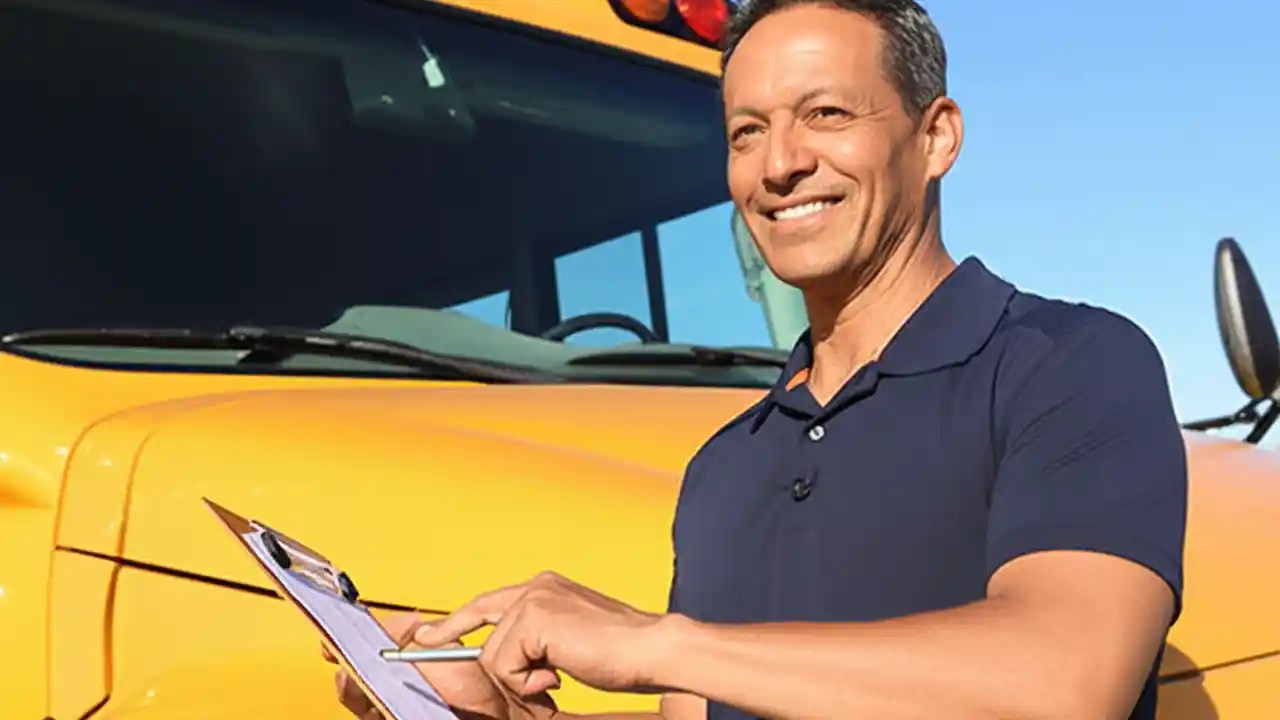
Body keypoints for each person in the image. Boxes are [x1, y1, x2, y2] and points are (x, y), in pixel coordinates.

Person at [330, 1, 1188, 718]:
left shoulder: (1069, 365)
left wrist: (657, 641)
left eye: (826, 114)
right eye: (747, 132)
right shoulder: (725, 465)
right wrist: (501, 711)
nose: (779, 165)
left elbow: (1066, 686)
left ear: (937, 138)